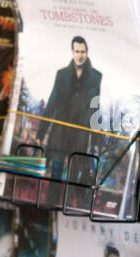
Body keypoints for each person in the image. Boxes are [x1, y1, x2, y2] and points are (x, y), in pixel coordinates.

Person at [37, 36, 102, 171]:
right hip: (60, 133)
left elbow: (95, 109)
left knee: (74, 177)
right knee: (56, 170)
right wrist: (40, 134)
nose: (80, 56)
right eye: (77, 52)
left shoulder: (96, 77)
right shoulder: (61, 75)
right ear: (72, 52)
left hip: (80, 137)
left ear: (87, 52)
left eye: (83, 52)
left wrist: (96, 141)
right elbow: (52, 103)